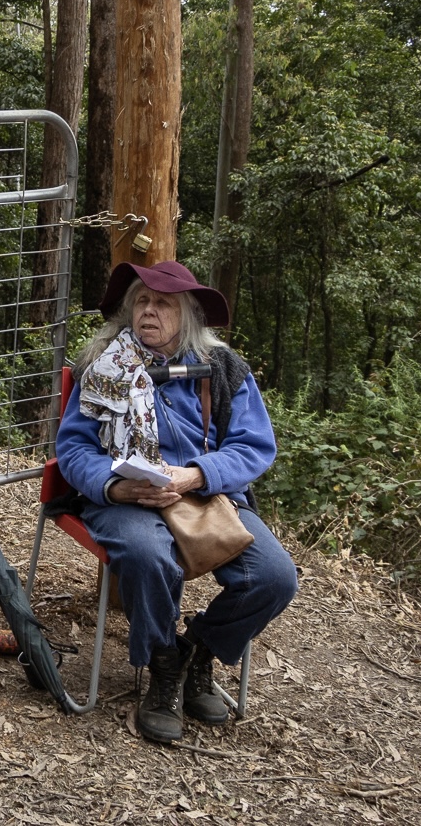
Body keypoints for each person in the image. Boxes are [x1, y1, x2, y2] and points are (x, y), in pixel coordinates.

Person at [55, 260, 298, 744]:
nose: (149, 310)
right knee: (147, 556)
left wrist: (196, 474)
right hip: (125, 497)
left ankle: (197, 653)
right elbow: (74, 448)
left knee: (274, 578)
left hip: (204, 494)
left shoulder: (223, 368)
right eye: (141, 301)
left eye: (162, 302)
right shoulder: (103, 366)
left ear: (187, 315)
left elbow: (254, 447)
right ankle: (164, 668)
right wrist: (114, 486)